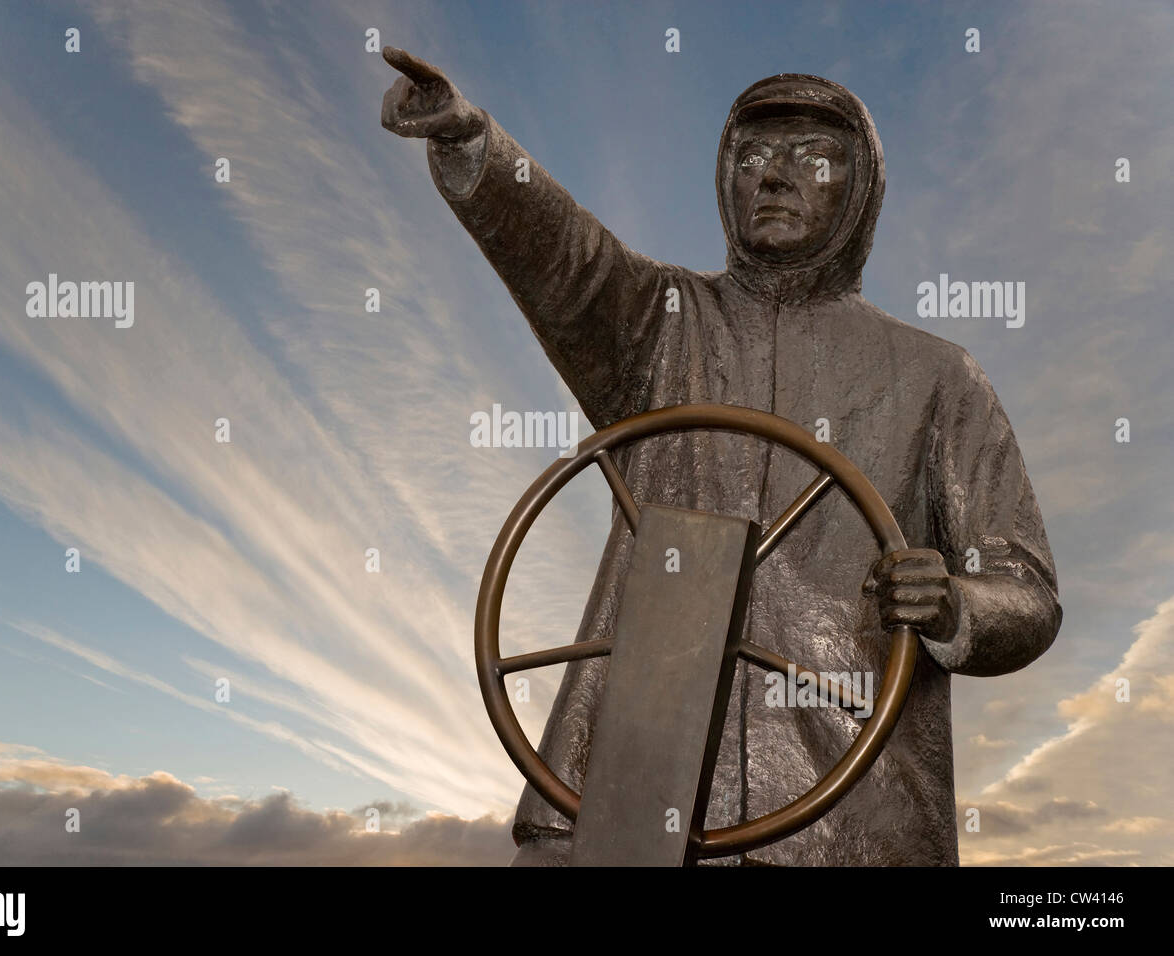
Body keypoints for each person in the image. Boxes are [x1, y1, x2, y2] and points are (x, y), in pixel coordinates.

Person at [381, 48, 1062, 865]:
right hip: (624, 802)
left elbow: (1027, 590)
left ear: (863, 192)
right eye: (751, 158)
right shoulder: (657, 323)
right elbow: (562, 258)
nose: (772, 178)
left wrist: (954, 602)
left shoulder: (939, 379)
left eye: (812, 158)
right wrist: (470, 144)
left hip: (853, 819)